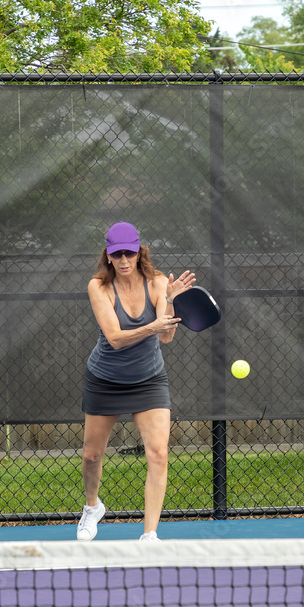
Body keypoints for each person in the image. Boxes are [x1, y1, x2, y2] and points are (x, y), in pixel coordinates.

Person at [78, 221, 195, 542]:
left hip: (149, 379)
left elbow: (167, 335)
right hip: (105, 379)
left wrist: (172, 300)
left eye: (129, 253)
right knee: (91, 456)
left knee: (158, 454)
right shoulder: (98, 287)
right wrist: (152, 327)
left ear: (139, 251)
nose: (124, 260)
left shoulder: (157, 284)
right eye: (117, 255)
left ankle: (150, 534)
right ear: (108, 256)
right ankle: (92, 507)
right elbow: (115, 338)